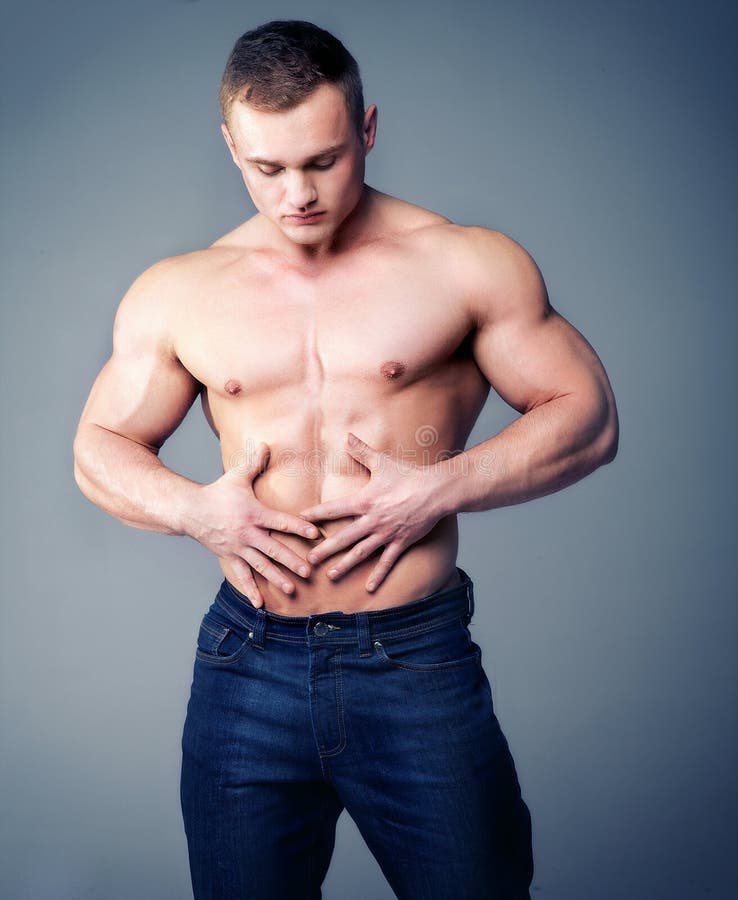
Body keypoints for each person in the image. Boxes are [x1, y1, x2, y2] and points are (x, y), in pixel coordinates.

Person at [72, 18, 618, 900]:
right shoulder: (181, 291)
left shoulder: (464, 263)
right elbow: (96, 450)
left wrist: (439, 489)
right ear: (230, 145)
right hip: (245, 664)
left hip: (411, 661)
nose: (297, 194)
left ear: (366, 129)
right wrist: (195, 510)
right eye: (267, 167)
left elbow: (588, 417)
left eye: (323, 160)